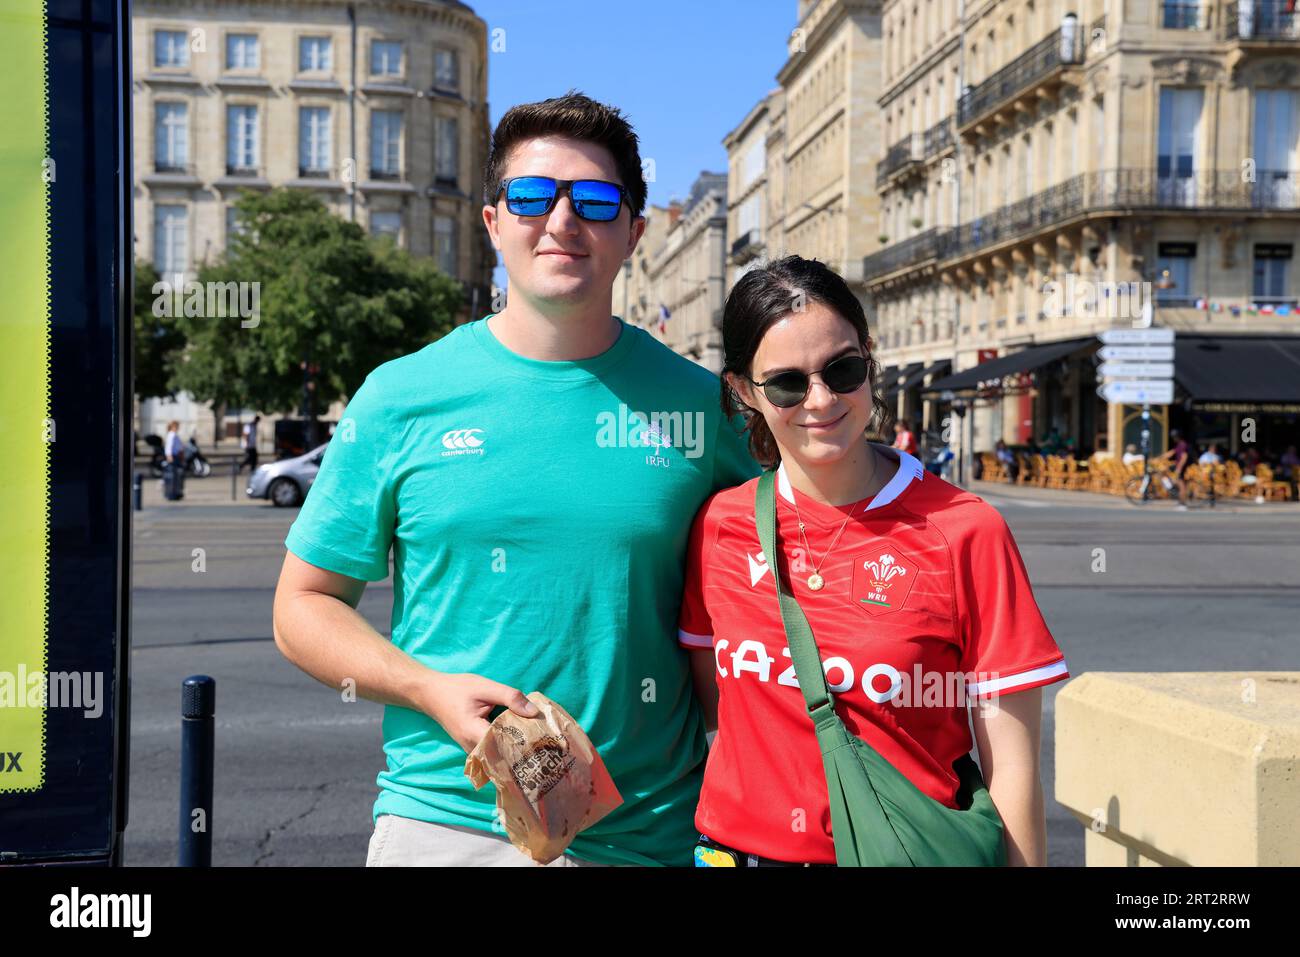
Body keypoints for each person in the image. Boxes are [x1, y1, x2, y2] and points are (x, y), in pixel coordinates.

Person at [271, 91, 760, 867]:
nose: (563, 219)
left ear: (634, 233)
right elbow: (301, 605)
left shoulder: (703, 406)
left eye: (596, 201)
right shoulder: (400, 396)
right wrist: (426, 688)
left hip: (645, 838)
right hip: (447, 824)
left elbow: (819, 533)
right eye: (533, 196)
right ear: (494, 221)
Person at [679, 255, 1070, 867]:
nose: (820, 400)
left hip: (899, 851)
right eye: (786, 383)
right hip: (731, 854)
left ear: (869, 357)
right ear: (742, 392)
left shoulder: (966, 530)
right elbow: (719, 710)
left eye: (842, 370)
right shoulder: (719, 526)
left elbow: (1014, 773)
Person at [1158, 429, 1191, 508]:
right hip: (1176, 465)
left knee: (1181, 485)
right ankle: (1171, 485)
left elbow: (1184, 457)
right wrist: (1160, 457)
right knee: (1162, 472)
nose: (1173, 439)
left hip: (1180, 467)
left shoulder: (1183, 444)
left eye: (1174, 437)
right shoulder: (1179, 444)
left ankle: (1182, 503)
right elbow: (1172, 452)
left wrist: (1179, 468)